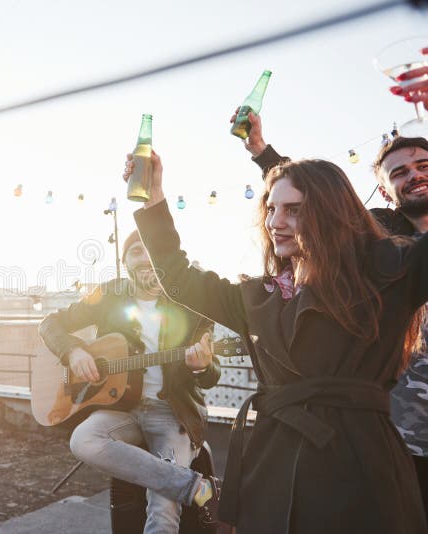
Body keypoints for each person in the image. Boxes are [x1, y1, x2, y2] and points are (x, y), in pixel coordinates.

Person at [123, 149, 428, 533]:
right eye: (271, 208)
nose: (275, 222)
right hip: (272, 464)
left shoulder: (387, 273)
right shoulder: (256, 296)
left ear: (332, 215)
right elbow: (179, 277)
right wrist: (153, 197)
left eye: (293, 210)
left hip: (361, 466)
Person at [232, 108, 428, 521]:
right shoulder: (380, 248)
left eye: (423, 165)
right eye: (397, 173)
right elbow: (316, 208)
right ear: (386, 193)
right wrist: (265, 156)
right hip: (404, 421)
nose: (412, 175)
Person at [39, 230, 221, 532]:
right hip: (122, 409)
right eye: (136, 251)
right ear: (125, 262)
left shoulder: (192, 302)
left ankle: (180, 485)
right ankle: (196, 488)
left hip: (173, 413)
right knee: (82, 439)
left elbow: (213, 374)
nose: (145, 257)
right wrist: (72, 352)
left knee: (163, 511)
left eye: (151, 249)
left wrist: (202, 367)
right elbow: (49, 324)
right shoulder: (108, 295)